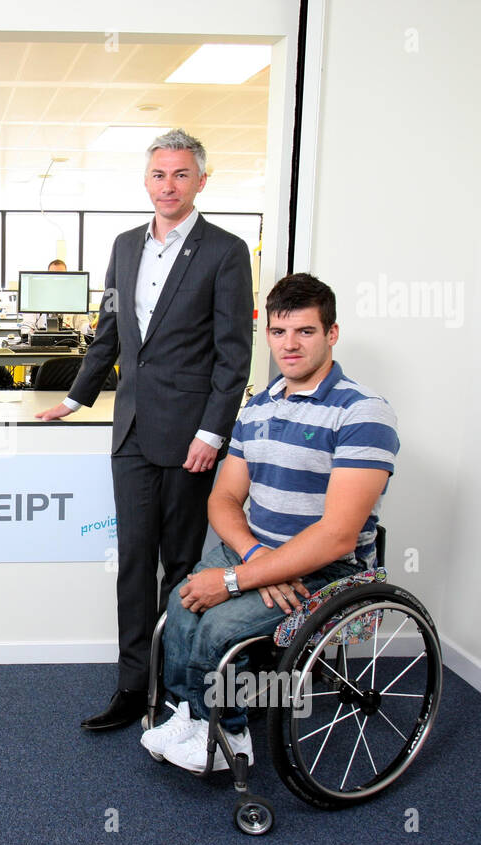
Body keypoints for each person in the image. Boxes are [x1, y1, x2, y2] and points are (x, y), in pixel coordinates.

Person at [36, 128, 253, 731]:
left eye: (181, 174)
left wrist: (212, 434)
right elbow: (109, 332)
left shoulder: (225, 251)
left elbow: (234, 354)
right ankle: (133, 687)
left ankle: (177, 688)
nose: (169, 185)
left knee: (181, 566)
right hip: (130, 429)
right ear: (146, 180)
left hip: (190, 437)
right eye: (159, 174)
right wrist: (76, 399)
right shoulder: (125, 245)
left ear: (201, 181)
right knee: (134, 561)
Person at [140, 273, 399, 771]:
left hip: (328, 568)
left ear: (332, 334)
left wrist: (240, 579)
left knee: (218, 627)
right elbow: (225, 498)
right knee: (180, 598)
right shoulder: (257, 407)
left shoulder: (363, 412)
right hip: (256, 550)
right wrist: (258, 558)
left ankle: (231, 737)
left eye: (305, 331)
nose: (290, 345)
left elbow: (338, 533)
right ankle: (192, 715)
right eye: (279, 333)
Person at [22, 258, 89, 336]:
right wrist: (29, 336)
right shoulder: (36, 297)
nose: (57, 279)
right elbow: (27, 325)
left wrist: (89, 327)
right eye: (53, 275)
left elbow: (82, 324)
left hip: (68, 343)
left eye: (61, 276)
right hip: (41, 343)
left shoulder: (75, 297)